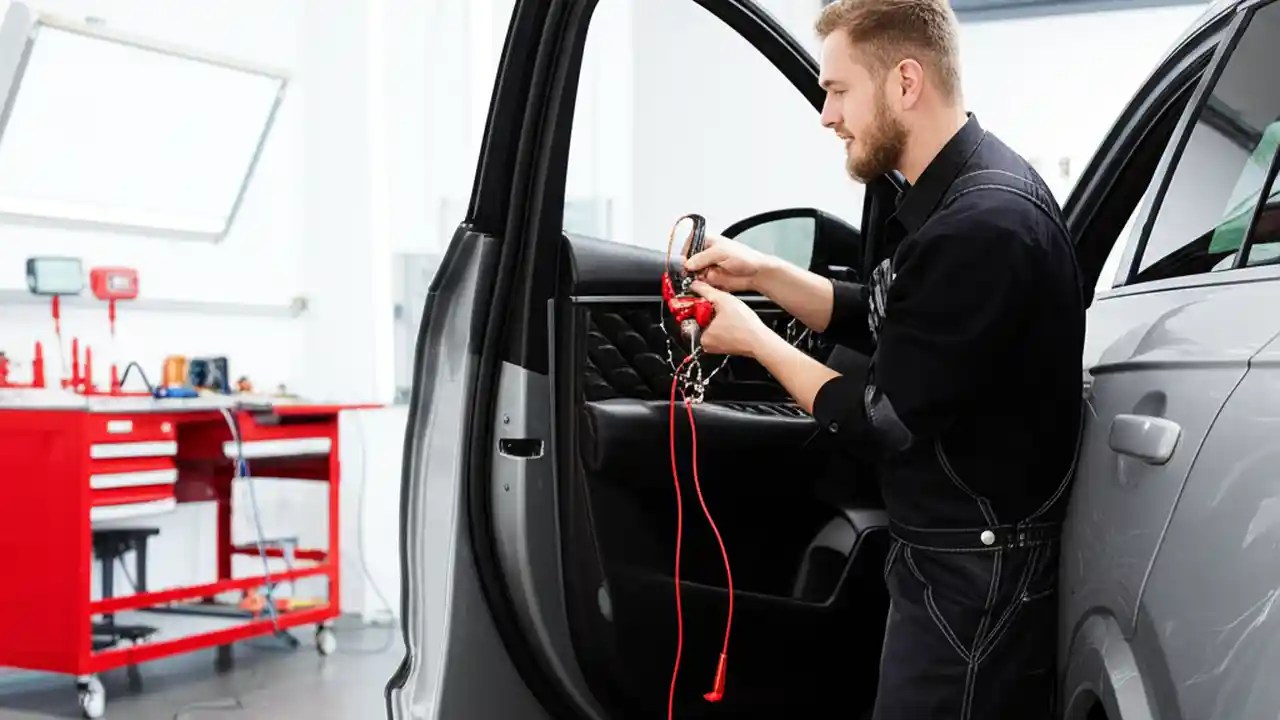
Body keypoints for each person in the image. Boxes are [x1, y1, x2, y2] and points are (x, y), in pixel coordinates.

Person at [684, 0, 1085, 717]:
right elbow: (890, 311)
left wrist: (753, 338)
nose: (826, 115)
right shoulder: (960, 198)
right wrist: (765, 274)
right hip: (957, 555)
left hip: (973, 576)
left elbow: (879, 421)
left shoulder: (981, 227)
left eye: (837, 91)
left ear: (905, 82)